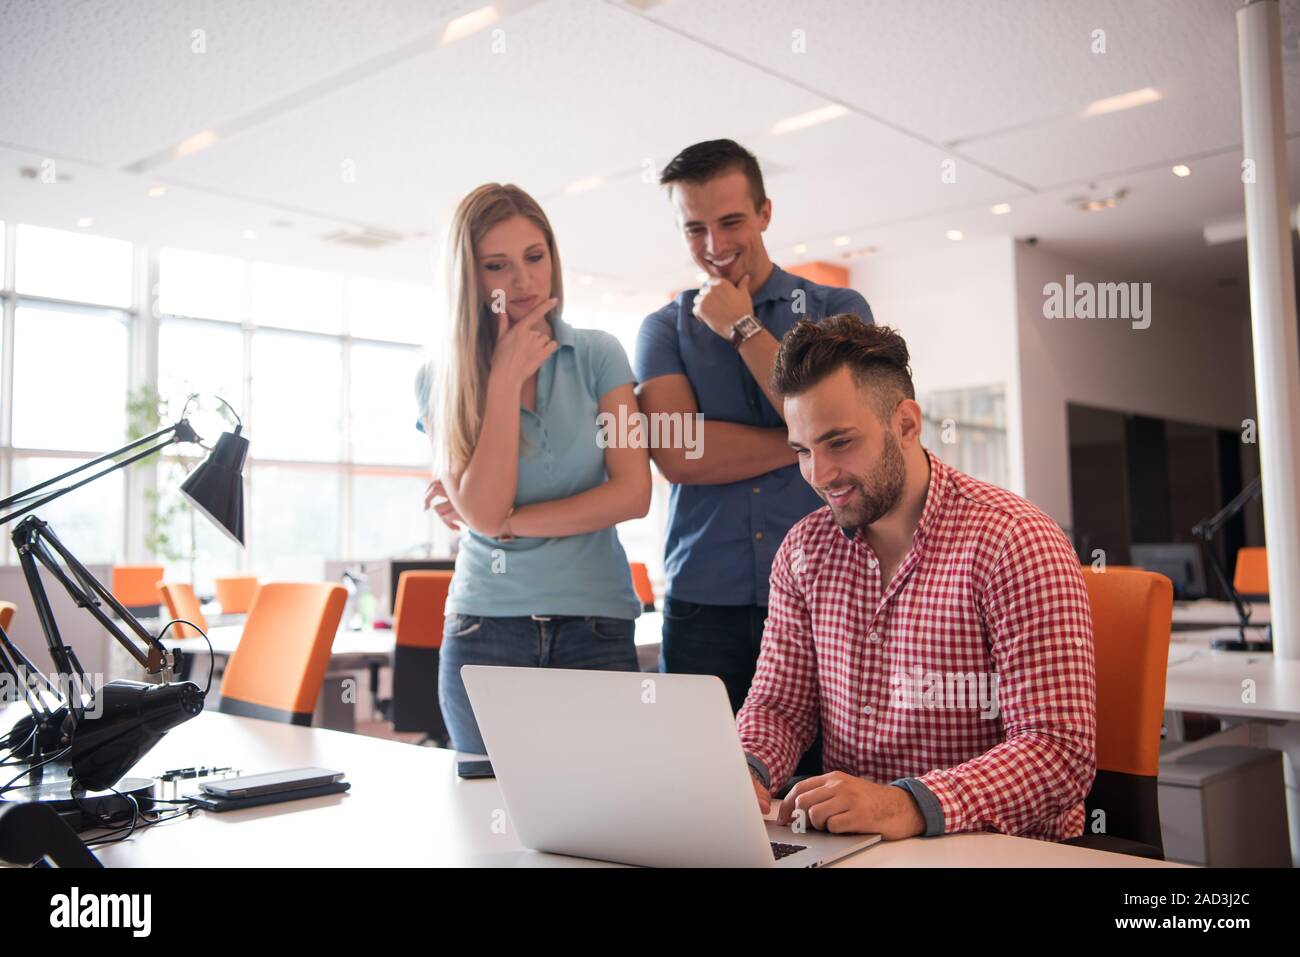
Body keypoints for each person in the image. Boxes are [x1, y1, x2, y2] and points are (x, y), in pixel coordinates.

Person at [739, 315, 1096, 841]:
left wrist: (907, 805)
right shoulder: (803, 551)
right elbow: (779, 707)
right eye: (803, 451)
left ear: (906, 424)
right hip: (854, 847)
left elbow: (1058, 750)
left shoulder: (1013, 540)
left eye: (839, 442)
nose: (819, 474)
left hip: (997, 850)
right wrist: (745, 772)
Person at [634, 139, 874, 723]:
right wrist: (811, 445)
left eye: (731, 221)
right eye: (694, 229)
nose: (714, 247)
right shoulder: (662, 330)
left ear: (765, 212)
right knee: (697, 782)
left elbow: (854, 431)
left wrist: (740, 327)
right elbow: (680, 458)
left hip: (826, 591)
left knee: (819, 790)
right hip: (702, 599)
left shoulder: (837, 309)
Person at [423, 183, 651, 755]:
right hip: (485, 629)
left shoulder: (601, 355)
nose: (523, 281)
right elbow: (479, 510)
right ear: (469, 278)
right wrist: (501, 378)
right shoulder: (439, 377)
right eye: (497, 265)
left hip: (595, 625)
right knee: (487, 823)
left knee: (607, 818)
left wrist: (507, 522)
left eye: (535, 257)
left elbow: (632, 494)